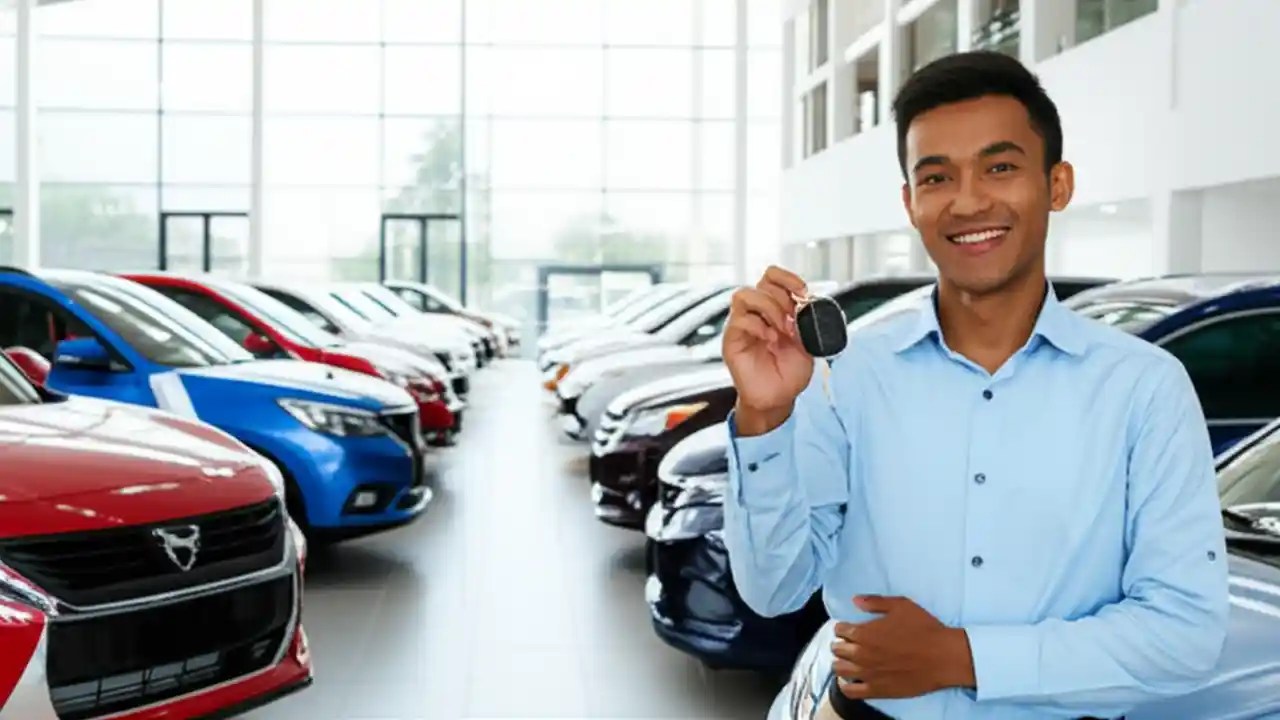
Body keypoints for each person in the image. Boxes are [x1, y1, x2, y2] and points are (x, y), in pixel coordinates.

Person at [721, 51, 1228, 720]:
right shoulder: (847, 377)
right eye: (937, 177)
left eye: (1000, 167)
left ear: (1058, 184)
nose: (967, 201)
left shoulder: (1145, 389)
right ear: (910, 202)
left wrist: (960, 657)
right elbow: (775, 589)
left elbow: (1185, 635)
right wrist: (764, 416)